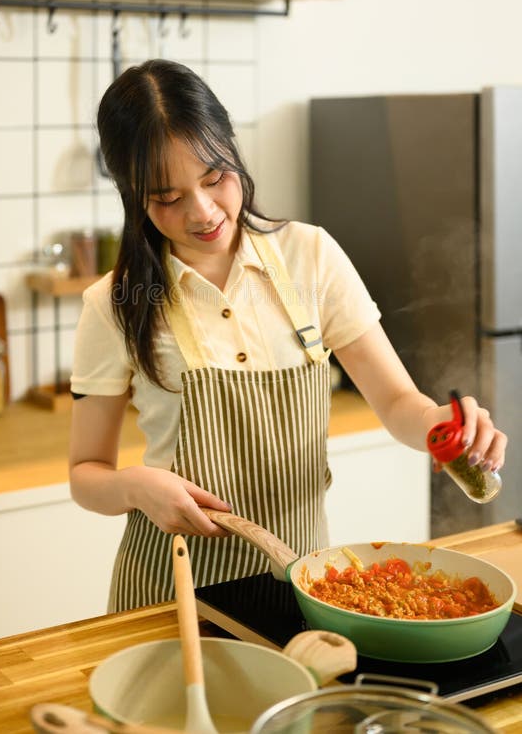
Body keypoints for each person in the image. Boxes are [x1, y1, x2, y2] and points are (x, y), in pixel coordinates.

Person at [69, 59, 507, 612]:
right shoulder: (114, 303)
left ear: (233, 150)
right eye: (167, 197)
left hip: (303, 584)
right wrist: (134, 486)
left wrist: (440, 426)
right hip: (171, 595)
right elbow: (86, 475)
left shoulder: (311, 256)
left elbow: (398, 402)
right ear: (132, 196)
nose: (203, 212)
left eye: (214, 177)